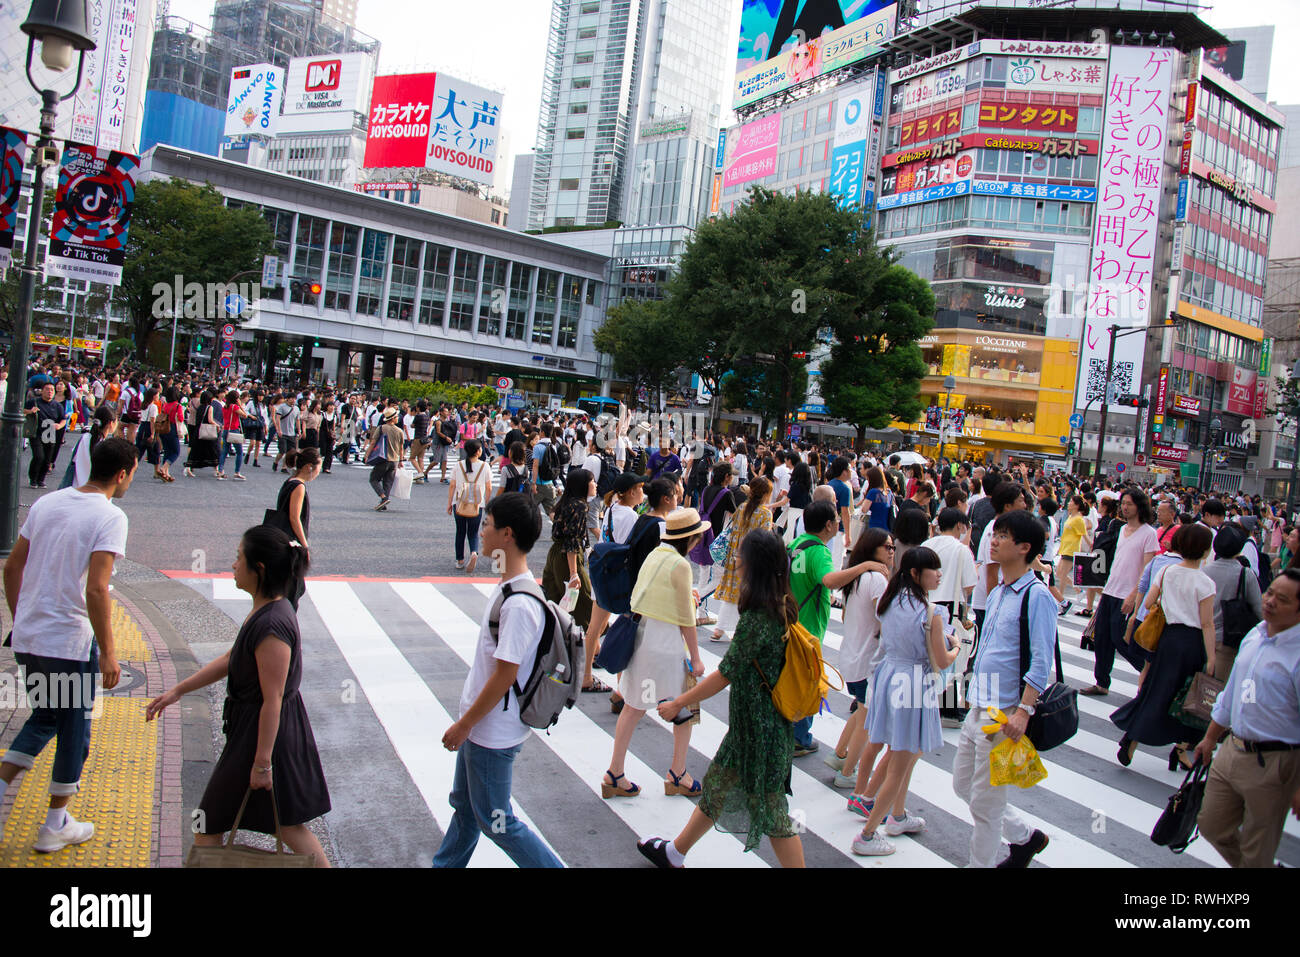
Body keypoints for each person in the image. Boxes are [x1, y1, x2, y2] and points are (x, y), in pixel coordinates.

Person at [146, 525, 328, 864]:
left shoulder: (272, 624)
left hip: (262, 739)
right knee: (284, 825)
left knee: (216, 824)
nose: (232, 565)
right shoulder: (267, 610)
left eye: (238, 558)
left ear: (258, 569)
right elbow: (234, 658)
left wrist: (261, 763)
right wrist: (178, 690)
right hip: (259, 735)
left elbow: (273, 698)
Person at [638, 529, 806, 868]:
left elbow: (724, 674)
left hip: (760, 729)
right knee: (717, 787)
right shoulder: (780, 604)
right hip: (755, 726)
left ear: (755, 565)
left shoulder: (758, 619)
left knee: (773, 812)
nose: (735, 560)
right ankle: (675, 852)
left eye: (740, 555)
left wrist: (679, 702)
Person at [0, 439, 135, 852]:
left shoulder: (47, 503)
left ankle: (55, 819)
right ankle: (55, 824)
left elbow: (12, 566)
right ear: (122, 474)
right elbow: (97, 589)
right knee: (75, 732)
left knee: (47, 718)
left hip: (30, 637)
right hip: (69, 643)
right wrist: (110, 652)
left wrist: (21, 615)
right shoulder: (111, 516)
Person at [431, 492, 563, 867]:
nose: (482, 531)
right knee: (467, 809)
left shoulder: (520, 602)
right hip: (482, 727)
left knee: (497, 822)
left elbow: (506, 676)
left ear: (507, 534)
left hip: (491, 732)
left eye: (486, 525)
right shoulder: (509, 587)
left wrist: (464, 724)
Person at [952, 509, 1055, 868]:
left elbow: (1041, 661)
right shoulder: (997, 591)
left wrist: (1024, 711)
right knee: (963, 787)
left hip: (1004, 712)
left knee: (986, 803)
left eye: (1003, 536)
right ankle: (1027, 837)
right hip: (979, 704)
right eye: (995, 534)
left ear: (1025, 547)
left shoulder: (1037, 596)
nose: (993, 541)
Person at [1191, 568, 1300, 868]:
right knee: (1211, 823)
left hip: (1275, 762)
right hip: (1233, 748)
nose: (1270, 601)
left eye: (1282, 599)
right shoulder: (1256, 634)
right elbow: (1232, 691)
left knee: (1258, 843)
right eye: (1269, 593)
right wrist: (1211, 737)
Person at [851, 545, 955, 855]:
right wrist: (958, 646)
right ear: (915, 574)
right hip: (912, 682)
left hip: (888, 676)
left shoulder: (890, 601)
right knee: (903, 759)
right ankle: (868, 835)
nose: (938, 574)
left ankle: (897, 816)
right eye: (932, 569)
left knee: (906, 753)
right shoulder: (931, 612)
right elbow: (943, 659)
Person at [602, 509, 709, 800]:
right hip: (666, 645)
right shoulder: (681, 565)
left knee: (633, 707)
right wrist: (697, 658)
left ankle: (615, 772)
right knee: (684, 709)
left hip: (641, 637)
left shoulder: (655, 555)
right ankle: (678, 774)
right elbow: (686, 617)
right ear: (690, 539)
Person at [1111, 523, 1216, 771]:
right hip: (1192, 643)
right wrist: (1211, 658)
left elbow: (1148, 600)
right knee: (1189, 697)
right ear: (1204, 551)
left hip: (1167, 638)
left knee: (1156, 690)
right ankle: (1180, 750)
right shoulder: (1205, 582)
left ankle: (1132, 739)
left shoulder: (1167, 571)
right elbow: (1208, 623)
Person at [787, 500, 882, 757]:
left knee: (792, 680)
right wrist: (863, 566)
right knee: (809, 684)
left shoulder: (795, 545)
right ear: (829, 525)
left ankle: (790, 732)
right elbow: (829, 580)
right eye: (837, 520)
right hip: (808, 627)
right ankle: (799, 737)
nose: (839, 523)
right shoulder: (819, 551)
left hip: (790, 623)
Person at [830, 529, 893, 800]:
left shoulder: (858, 577)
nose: (892, 551)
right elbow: (886, 620)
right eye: (887, 547)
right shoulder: (877, 579)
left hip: (852, 655)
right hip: (868, 659)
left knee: (861, 710)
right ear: (873, 549)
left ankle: (840, 754)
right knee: (867, 719)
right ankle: (846, 774)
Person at [1081, 488, 1159, 697]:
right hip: (1110, 591)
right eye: (1123, 503)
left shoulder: (1149, 534)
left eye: (1130, 504)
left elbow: (1147, 569)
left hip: (1128, 594)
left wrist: (1134, 596)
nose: (1125, 507)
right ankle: (1101, 682)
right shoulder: (1122, 529)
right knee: (1103, 638)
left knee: (1121, 639)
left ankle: (1148, 672)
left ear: (1140, 506)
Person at [708, 476, 776, 642]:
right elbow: (763, 538)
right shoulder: (765, 514)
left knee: (732, 591)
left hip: (734, 555)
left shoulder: (742, 507)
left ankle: (720, 628)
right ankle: (739, 629)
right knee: (748, 594)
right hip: (752, 556)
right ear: (766, 494)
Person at [1204, 525, 1263, 682]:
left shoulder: (1205, 571)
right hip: (1229, 638)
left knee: (1200, 687)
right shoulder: (1245, 574)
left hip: (1202, 636)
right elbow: (1259, 609)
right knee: (1219, 686)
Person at [541, 469, 596, 631]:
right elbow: (571, 541)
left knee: (557, 597)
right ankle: (592, 645)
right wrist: (574, 573)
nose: (595, 484)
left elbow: (553, 514)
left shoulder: (567, 502)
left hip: (555, 554)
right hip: (568, 557)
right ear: (583, 485)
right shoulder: (579, 506)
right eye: (592, 481)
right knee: (583, 600)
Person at [270, 447, 319, 609]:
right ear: (309, 467)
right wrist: (305, 547)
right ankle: (284, 621)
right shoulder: (299, 486)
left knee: (289, 587)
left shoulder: (291, 481)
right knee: (293, 588)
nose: (318, 471)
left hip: (282, 538)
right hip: (292, 542)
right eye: (318, 466)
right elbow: (294, 517)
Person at [449, 438, 493, 573]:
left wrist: (450, 503)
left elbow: (452, 485)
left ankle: (459, 560)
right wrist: (485, 502)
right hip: (477, 504)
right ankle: (474, 552)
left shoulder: (459, 465)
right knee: (473, 532)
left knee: (460, 531)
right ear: (479, 451)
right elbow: (489, 487)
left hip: (459, 503)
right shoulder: (484, 466)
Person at [24, 381, 66, 488]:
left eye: (52, 390)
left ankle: (41, 480)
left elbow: (63, 419)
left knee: (47, 459)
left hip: (50, 433)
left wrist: (59, 426)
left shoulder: (57, 405)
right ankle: (33, 479)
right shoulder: (34, 402)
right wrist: (30, 411)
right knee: (39, 456)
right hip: (36, 433)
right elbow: (21, 411)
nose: (50, 392)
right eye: (47, 389)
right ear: (42, 391)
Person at [364, 407, 405, 511]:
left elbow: (373, 442)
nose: (398, 418)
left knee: (373, 479)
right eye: (396, 417)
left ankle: (383, 497)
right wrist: (401, 461)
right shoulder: (400, 431)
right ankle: (384, 502)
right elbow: (401, 448)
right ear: (392, 418)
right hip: (395, 460)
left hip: (384, 458)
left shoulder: (382, 428)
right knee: (387, 482)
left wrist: (367, 455)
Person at [183, 390, 221, 478]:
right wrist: (217, 425)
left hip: (199, 431)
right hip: (207, 432)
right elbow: (210, 420)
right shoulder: (209, 407)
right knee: (213, 451)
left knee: (195, 451)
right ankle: (217, 470)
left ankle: (189, 467)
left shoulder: (200, 407)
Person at [216, 389, 247, 481]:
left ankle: (220, 470)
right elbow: (244, 415)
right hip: (234, 430)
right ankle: (237, 472)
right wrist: (240, 405)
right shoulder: (234, 407)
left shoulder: (225, 406)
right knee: (239, 452)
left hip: (226, 429)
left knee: (224, 451)